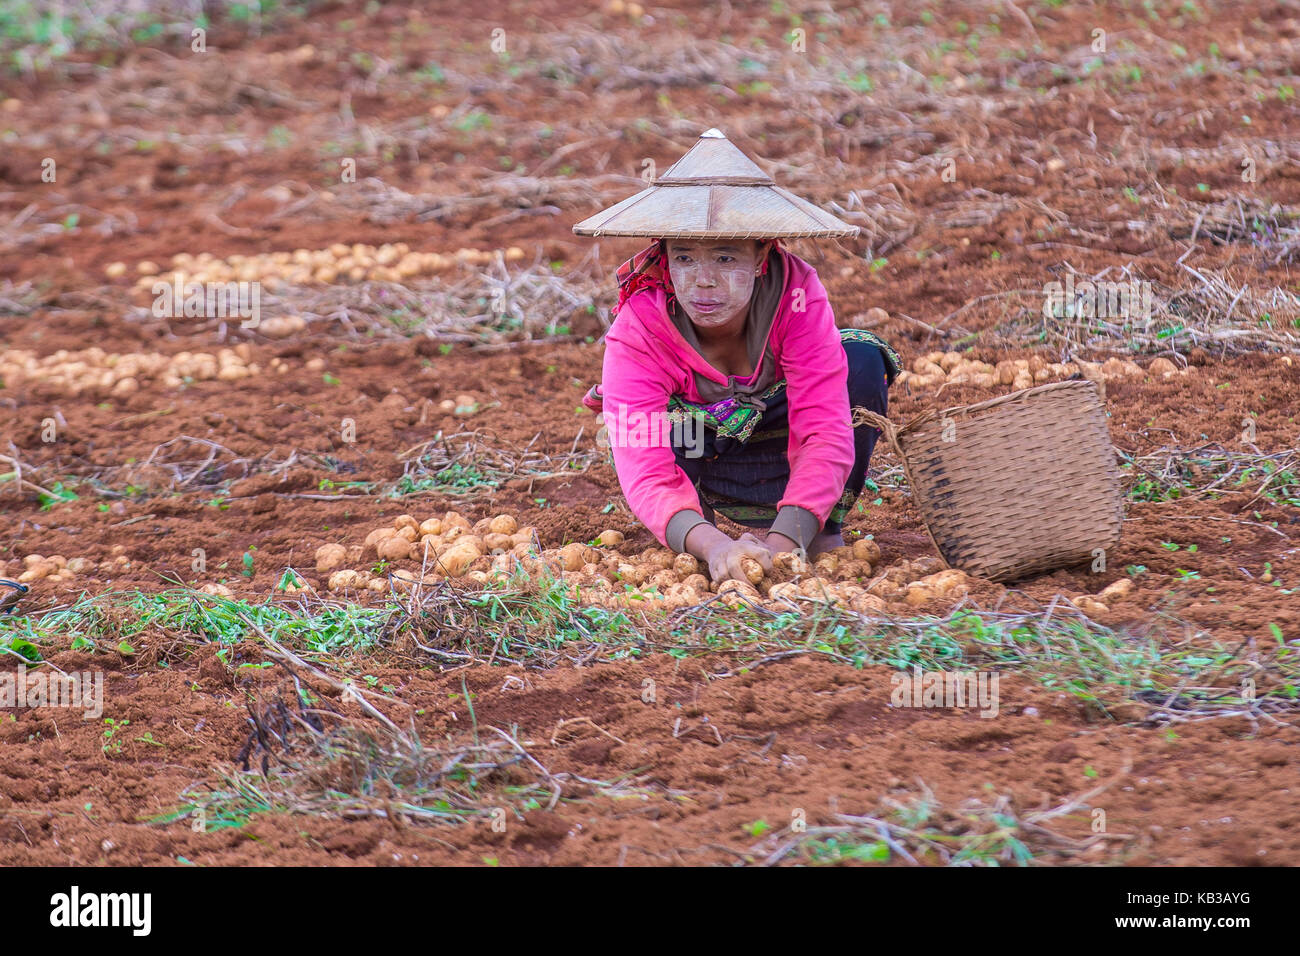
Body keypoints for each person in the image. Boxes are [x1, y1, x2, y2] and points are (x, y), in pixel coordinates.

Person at [573, 129, 899, 583]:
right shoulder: (639, 327)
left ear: (762, 252)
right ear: (664, 256)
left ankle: (820, 528)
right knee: (669, 423)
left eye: (725, 259)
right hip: (705, 460)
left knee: (861, 360)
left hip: (777, 441)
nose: (703, 281)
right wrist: (717, 547)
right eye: (684, 259)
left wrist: (782, 545)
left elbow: (824, 428)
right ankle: (697, 531)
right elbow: (644, 465)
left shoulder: (796, 294)